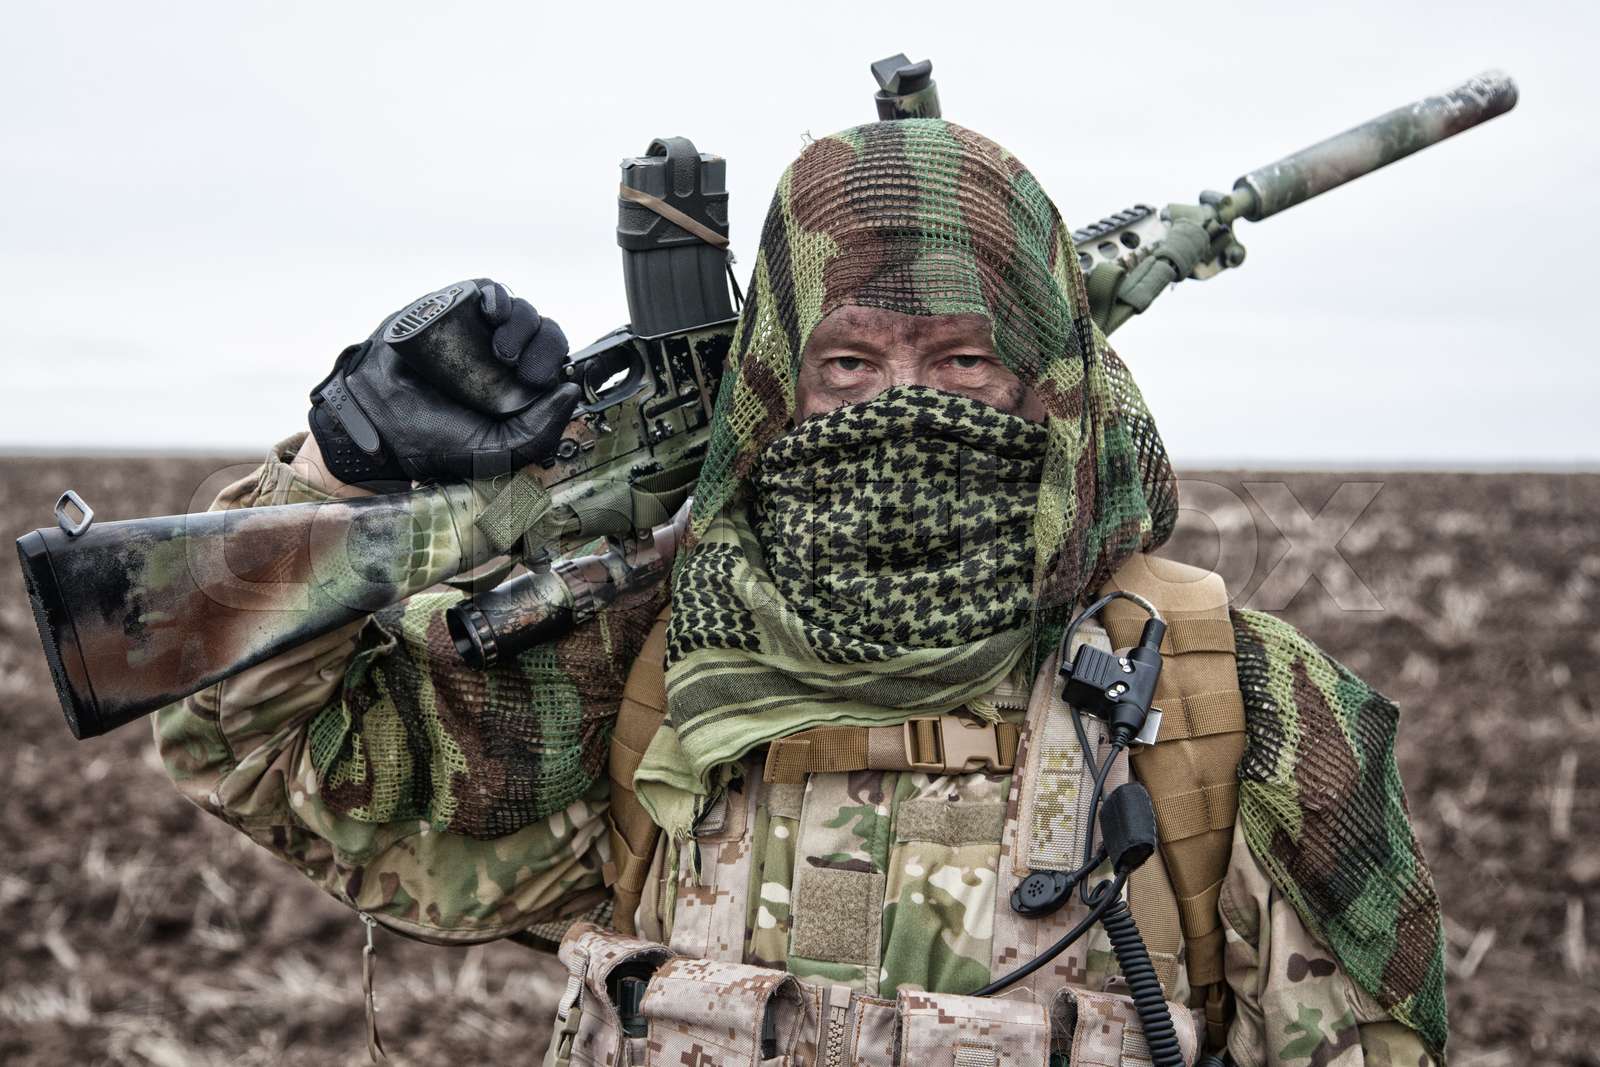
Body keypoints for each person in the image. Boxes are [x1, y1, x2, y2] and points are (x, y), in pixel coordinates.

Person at [157, 119, 1446, 1066]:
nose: (906, 405)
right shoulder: (655, 672)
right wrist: (338, 473)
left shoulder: (1236, 704)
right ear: (774, 383)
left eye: (962, 359)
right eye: (848, 362)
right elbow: (246, 736)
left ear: (1052, 382)